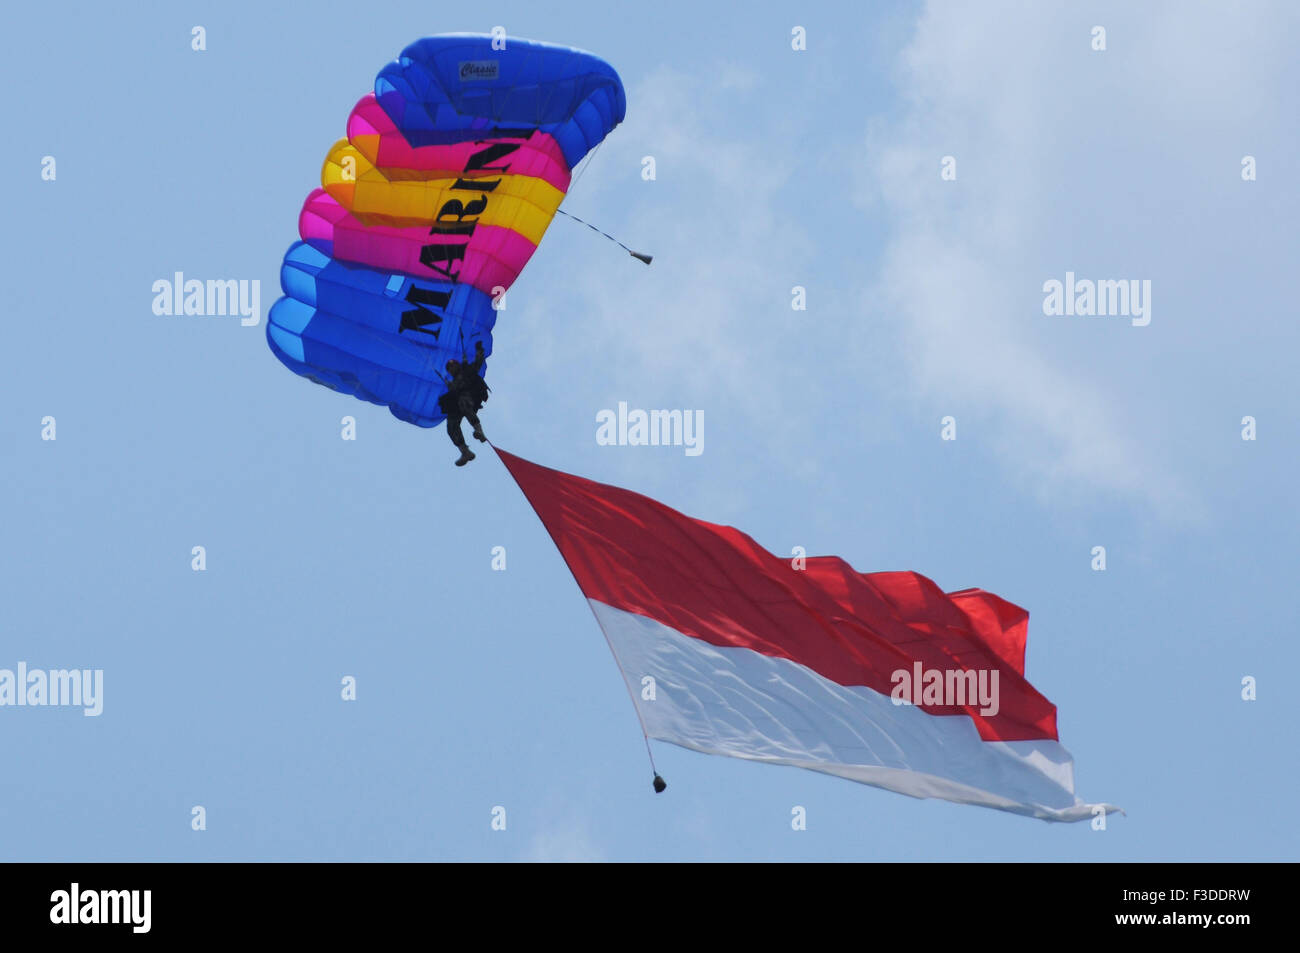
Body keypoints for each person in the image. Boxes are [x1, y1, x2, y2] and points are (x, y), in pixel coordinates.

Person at [439, 340, 489, 466]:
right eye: (448, 368)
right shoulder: (453, 383)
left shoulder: (467, 371)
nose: (451, 369)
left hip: (470, 397)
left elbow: (478, 363)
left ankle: (479, 431)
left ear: (458, 365)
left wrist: (479, 350)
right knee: (451, 426)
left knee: (463, 402)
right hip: (458, 404)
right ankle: (465, 452)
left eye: (452, 366)